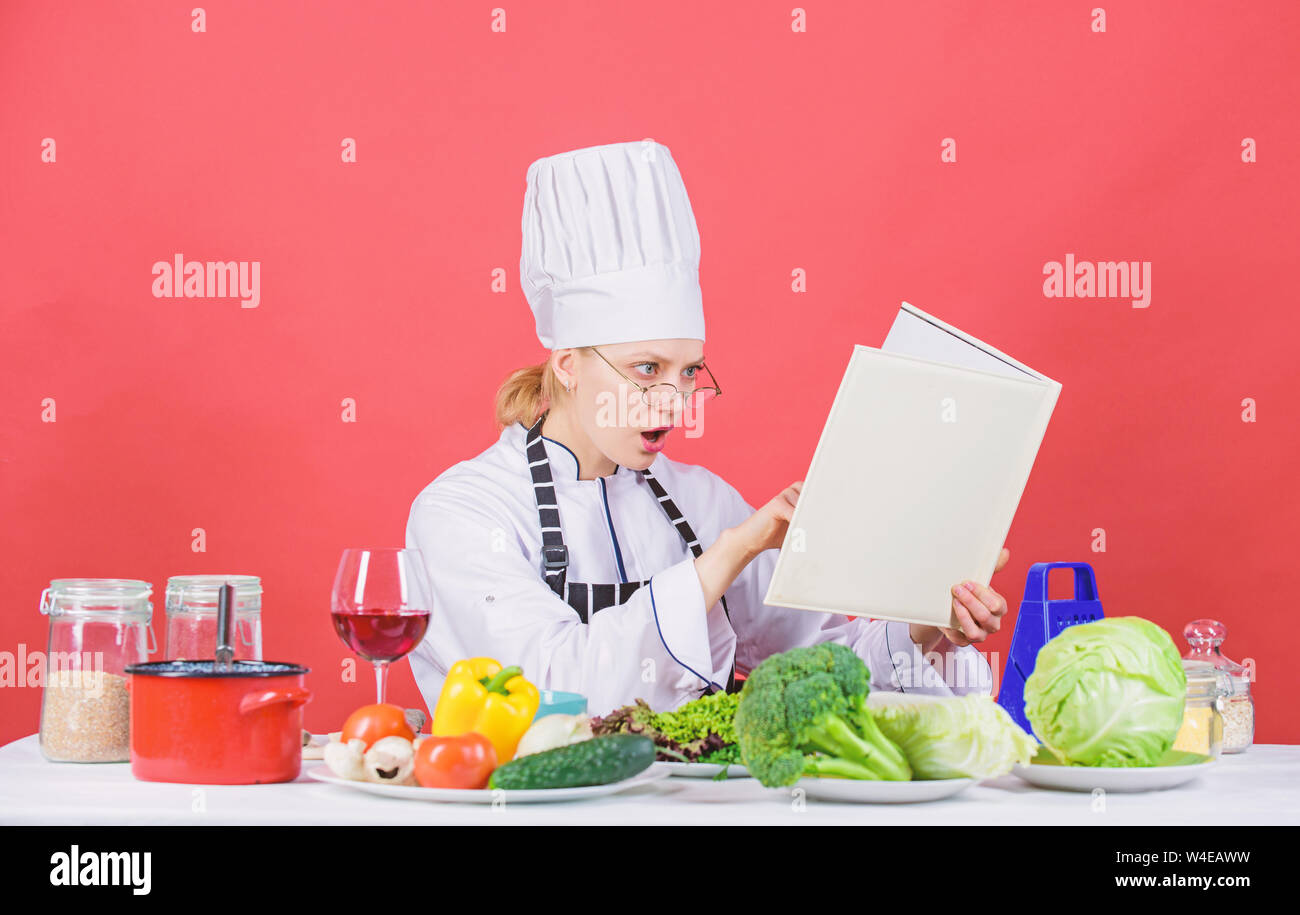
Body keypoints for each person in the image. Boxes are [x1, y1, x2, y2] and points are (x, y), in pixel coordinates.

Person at [405, 139, 1010, 716]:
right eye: (648, 369)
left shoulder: (700, 500)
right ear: (568, 366)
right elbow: (547, 693)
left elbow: (824, 666)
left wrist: (930, 624)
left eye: (689, 371)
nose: (674, 401)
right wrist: (731, 552)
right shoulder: (466, 512)